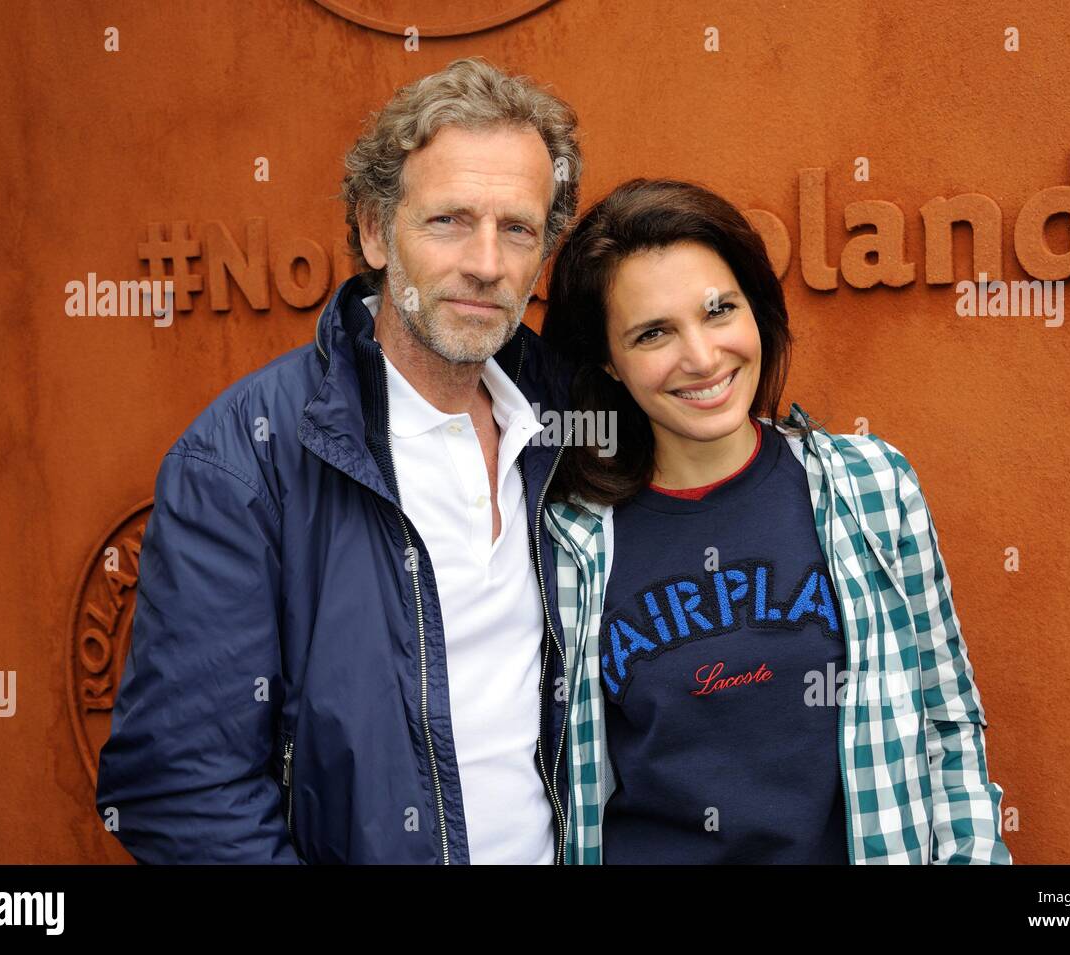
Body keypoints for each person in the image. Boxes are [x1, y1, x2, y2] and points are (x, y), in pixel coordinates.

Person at [95, 57, 583, 864]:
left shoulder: (570, 426)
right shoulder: (243, 460)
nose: (487, 263)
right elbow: (180, 791)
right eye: (450, 221)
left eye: (518, 229)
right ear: (372, 231)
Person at [541, 178, 1012, 865]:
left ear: (754, 310)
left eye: (718, 311)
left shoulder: (869, 485)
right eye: (653, 333)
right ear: (609, 364)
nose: (701, 357)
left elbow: (948, 719)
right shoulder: (569, 541)